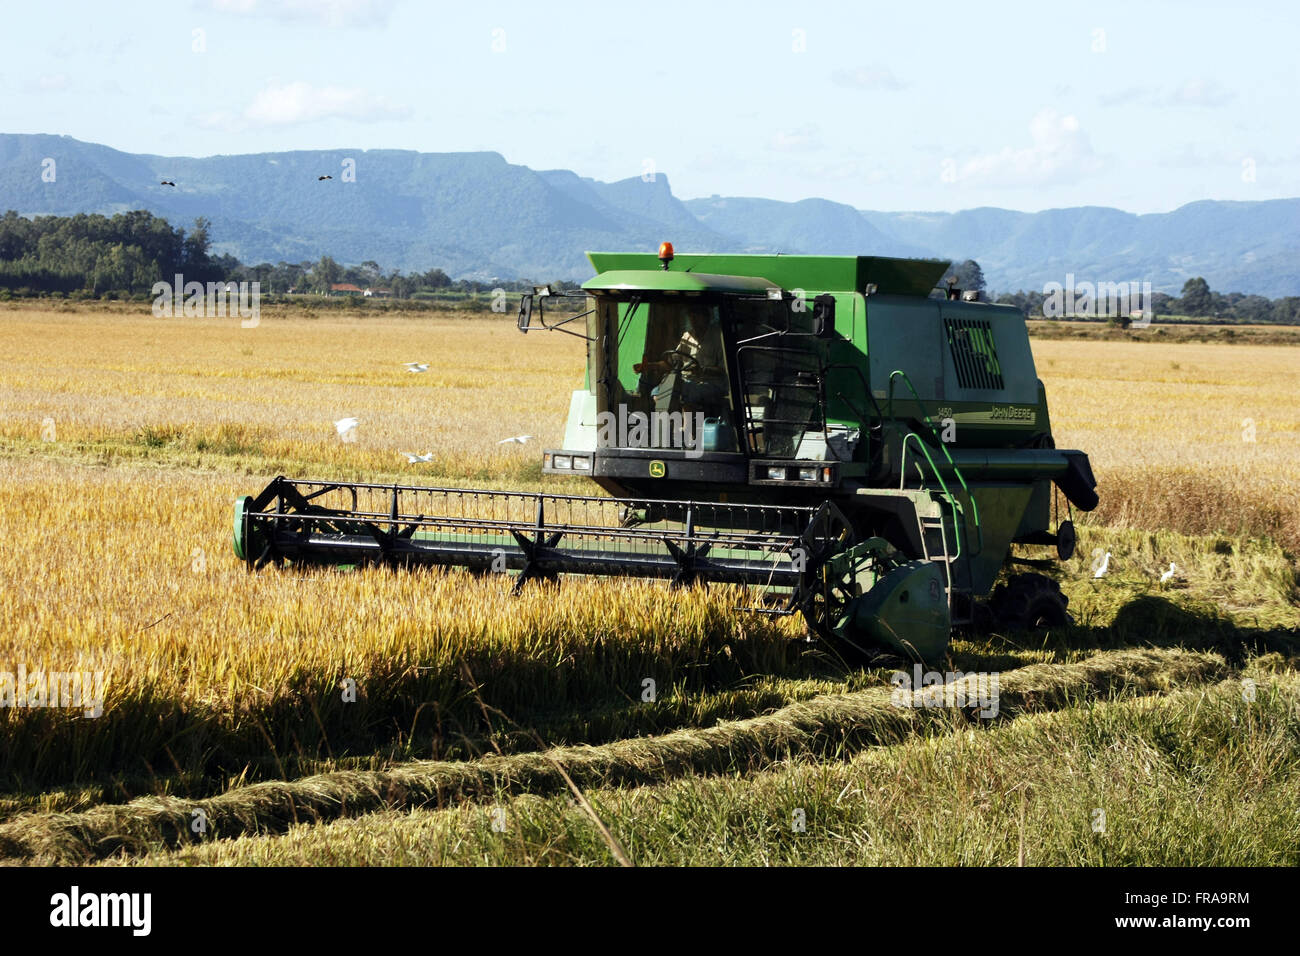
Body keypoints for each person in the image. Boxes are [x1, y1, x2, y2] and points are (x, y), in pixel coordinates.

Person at [633, 308, 728, 415]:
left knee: (682, 391)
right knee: (658, 392)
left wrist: (702, 370)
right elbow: (671, 364)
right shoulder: (687, 337)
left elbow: (724, 370)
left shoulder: (718, 336)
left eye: (696, 315)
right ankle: (668, 424)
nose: (693, 319)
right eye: (691, 316)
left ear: (706, 317)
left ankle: (685, 428)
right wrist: (649, 366)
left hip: (712, 384)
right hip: (687, 382)